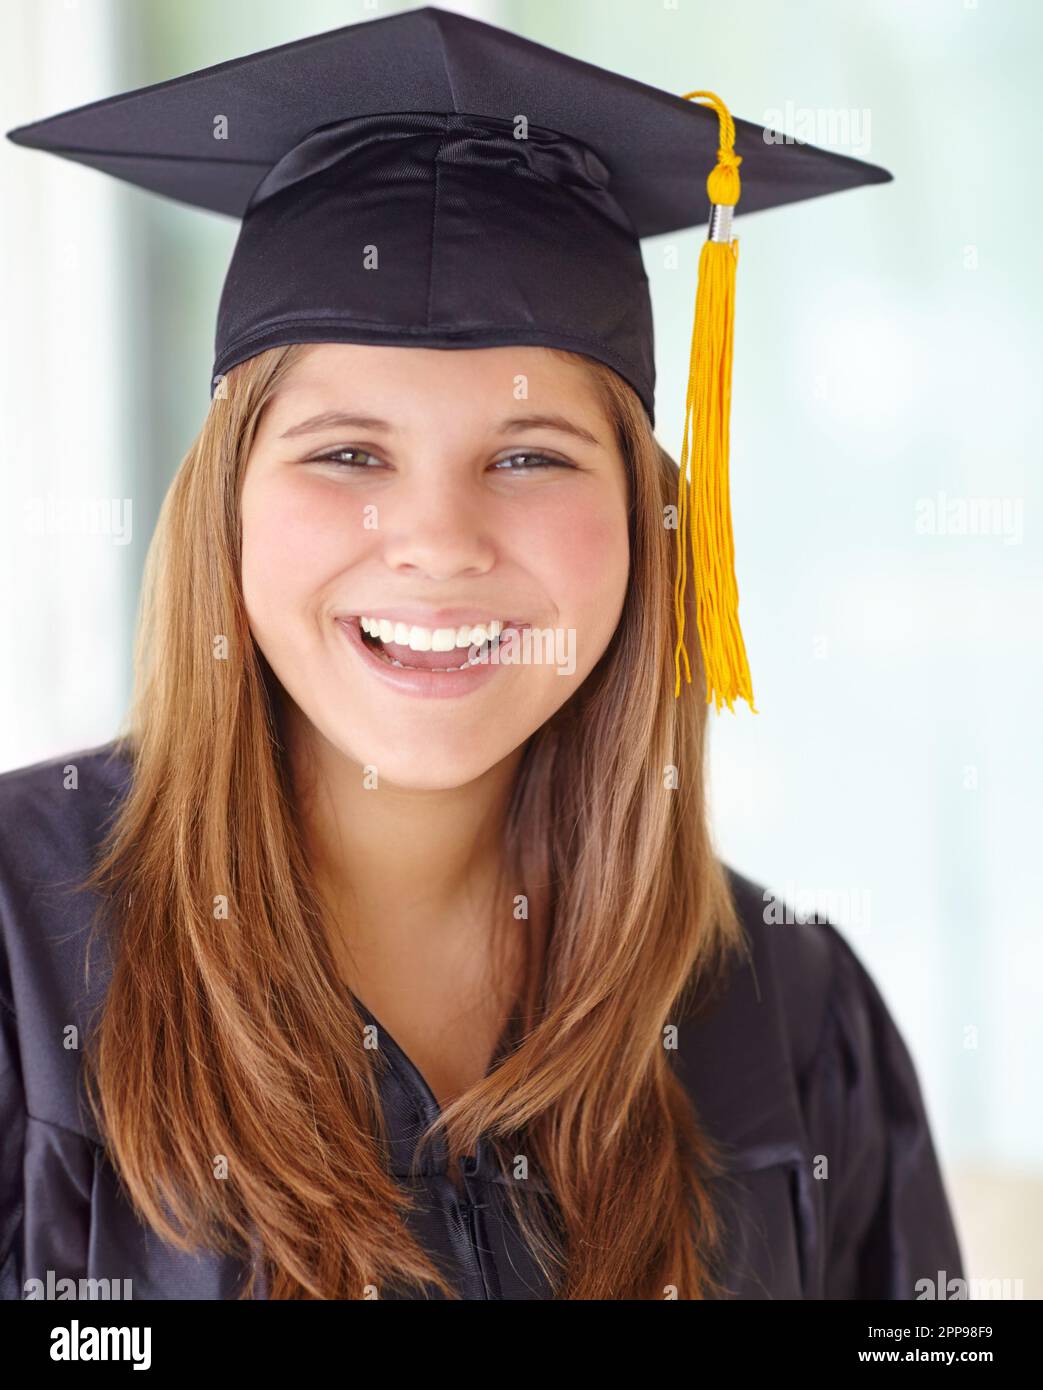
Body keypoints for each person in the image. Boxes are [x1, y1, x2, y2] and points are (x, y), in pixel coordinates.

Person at [1, 7, 963, 1300]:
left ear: (647, 514)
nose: (437, 543)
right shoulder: (21, 950)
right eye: (348, 452)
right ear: (224, 503)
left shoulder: (786, 1011)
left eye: (528, 457)